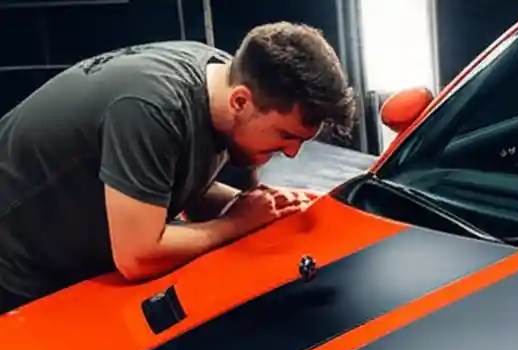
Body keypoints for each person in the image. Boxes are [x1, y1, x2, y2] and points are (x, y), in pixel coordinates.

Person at [0, 22, 357, 314]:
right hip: (15, 265)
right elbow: (139, 255)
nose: (292, 154)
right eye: (285, 135)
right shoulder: (153, 110)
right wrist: (240, 221)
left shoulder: (221, 78)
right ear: (240, 101)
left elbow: (168, 181)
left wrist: (265, 207)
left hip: (64, 247)